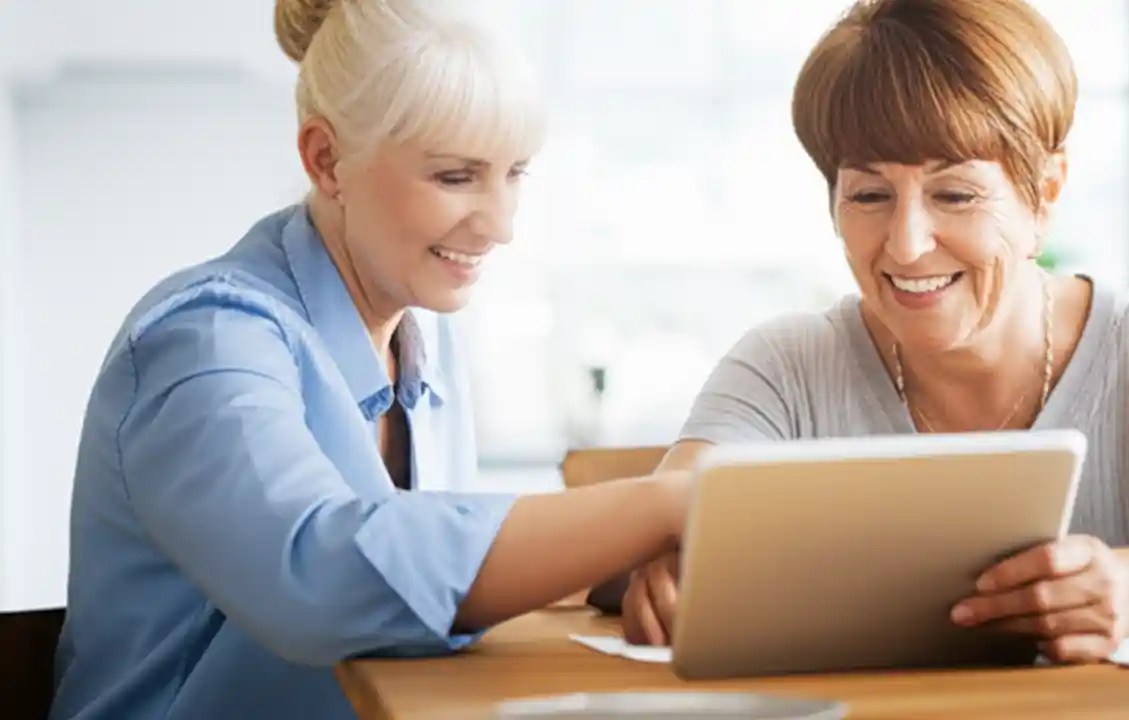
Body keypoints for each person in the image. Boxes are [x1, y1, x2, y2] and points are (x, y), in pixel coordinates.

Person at [50, 2, 690, 718]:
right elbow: (319, 575)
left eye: (515, 174)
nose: (501, 225)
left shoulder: (424, 336)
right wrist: (661, 504)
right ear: (326, 160)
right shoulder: (206, 342)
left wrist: (637, 566)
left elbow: (433, 576)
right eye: (455, 177)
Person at [622, 0, 1129, 663]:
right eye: (869, 196)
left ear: (1045, 191)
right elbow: (644, 539)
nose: (906, 247)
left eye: (956, 195)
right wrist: (668, 573)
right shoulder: (784, 367)